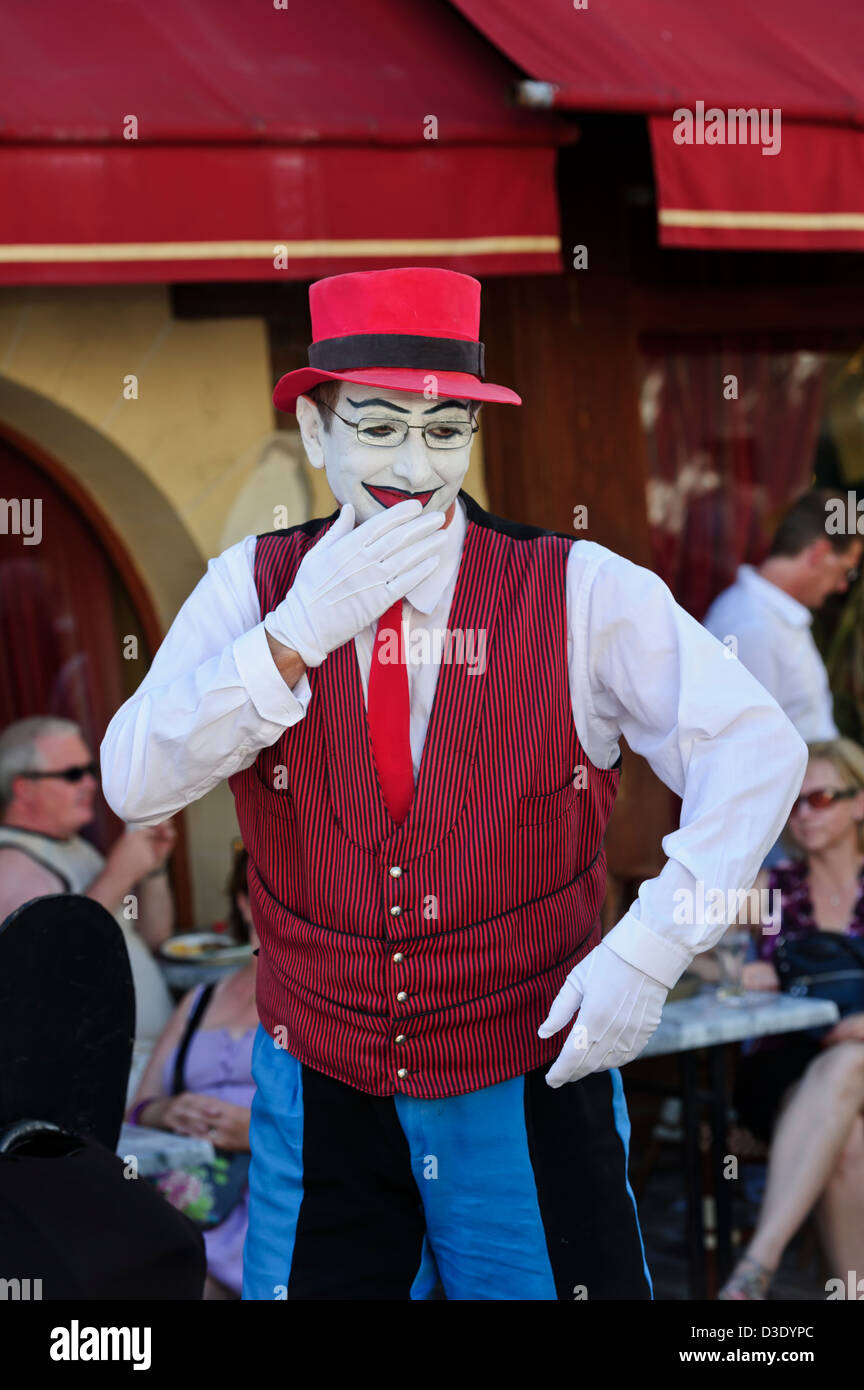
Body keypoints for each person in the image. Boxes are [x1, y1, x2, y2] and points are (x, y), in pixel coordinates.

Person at [100, 266, 807, 1301]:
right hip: (317, 1079)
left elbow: (758, 747)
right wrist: (295, 635)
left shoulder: (579, 586)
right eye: (379, 426)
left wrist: (653, 949)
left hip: (527, 1072)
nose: (413, 464)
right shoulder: (248, 587)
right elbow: (134, 780)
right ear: (316, 432)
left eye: (445, 432)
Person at [707, 739, 864, 1299]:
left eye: (820, 798)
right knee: (850, 1110)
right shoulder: (770, 891)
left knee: (851, 1099)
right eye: (795, 802)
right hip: (784, 1067)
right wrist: (735, 972)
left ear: (859, 803)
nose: (804, 814)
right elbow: (682, 951)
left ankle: (756, 1267)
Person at [127, 844, 257, 1300]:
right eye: (263, 893)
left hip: (282, 1202)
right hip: (197, 1200)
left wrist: (257, 1131)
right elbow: (136, 1113)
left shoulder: (325, 1000)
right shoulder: (201, 999)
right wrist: (167, 1111)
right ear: (243, 902)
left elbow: (359, 1131)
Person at [0, 715, 175, 1046]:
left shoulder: (75, 846)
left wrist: (152, 869)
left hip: (146, 1061)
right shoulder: (11, 863)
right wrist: (118, 875)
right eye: (72, 774)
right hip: (102, 1075)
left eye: (89, 771)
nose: (91, 784)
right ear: (24, 788)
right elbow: (49, 965)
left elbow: (155, 939)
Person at [703, 489, 862, 742]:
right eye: (847, 571)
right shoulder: (752, 624)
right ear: (818, 553)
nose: (843, 586)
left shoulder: (772, 617)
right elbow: (746, 746)